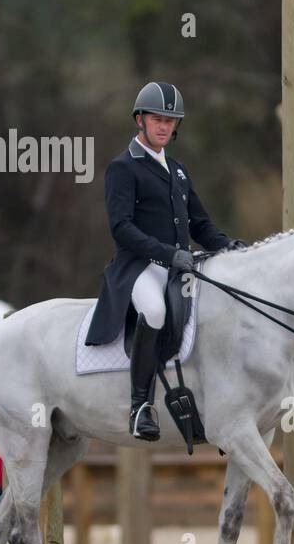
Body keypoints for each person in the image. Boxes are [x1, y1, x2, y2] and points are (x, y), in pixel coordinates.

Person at [85, 81, 248, 441]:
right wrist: (169, 254)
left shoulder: (177, 170)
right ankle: (140, 405)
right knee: (155, 312)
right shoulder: (123, 168)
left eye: (170, 121)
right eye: (157, 119)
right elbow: (121, 228)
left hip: (177, 266)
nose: (164, 127)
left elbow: (201, 224)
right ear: (140, 120)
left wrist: (229, 247)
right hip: (138, 267)